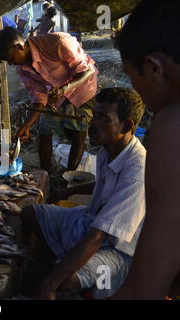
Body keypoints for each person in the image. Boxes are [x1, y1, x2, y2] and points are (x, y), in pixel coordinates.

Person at [21, 88, 146, 300]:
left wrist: (50, 283)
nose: (93, 123)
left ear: (126, 126)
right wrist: (69, 191)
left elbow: (99, 236)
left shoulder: (137, 172)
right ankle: (61, 262)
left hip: (118, 253)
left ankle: (67, 274)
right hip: (89, 221)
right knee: (30, 214)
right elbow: (104, 183)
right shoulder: (109, 148)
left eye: (103, 118)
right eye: (95, 115)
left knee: (65, 281)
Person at [112, 0, 180, 300]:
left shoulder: (173, 124)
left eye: (130, 74)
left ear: (153, 67)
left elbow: (143, 290)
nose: (133, 86)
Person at [0, 27, 98, 174]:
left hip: (82, 89)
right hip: (55, 96)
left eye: (10, 59)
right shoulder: (23, 69)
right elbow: (39, 97)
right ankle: (45, 176)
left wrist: (64, 89)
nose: (11, 64)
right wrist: (26, 126)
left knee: (78, 134)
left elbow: (88, 70)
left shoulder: (58, 43)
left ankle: (69, 177)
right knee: (44, 131)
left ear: (19, 46)